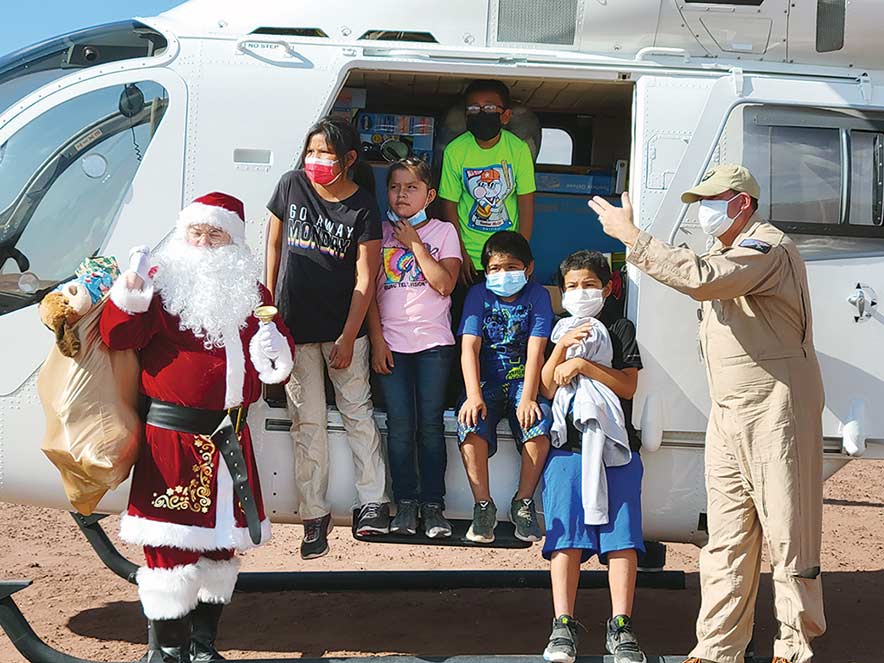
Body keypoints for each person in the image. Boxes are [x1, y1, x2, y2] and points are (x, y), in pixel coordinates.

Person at [590, 164, 825, 663]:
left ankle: (793, 646)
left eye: (711, 200)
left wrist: (632, 237)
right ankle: (718, 649)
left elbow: (702, 280)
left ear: (741, 203)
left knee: (788, 532)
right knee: (726, 538)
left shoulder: (767, 248)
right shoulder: (728, 249)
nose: (702, 211)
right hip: (731, 410)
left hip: (775, 408)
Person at [100, 192, 295, 663]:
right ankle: (168, 652)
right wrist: (127, 298)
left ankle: (203, 646)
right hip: (173, 438)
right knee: (169, 547)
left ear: (234, 241)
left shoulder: (254, 291)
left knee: (220, 547)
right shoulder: (160, 286)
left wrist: (274, 348)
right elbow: (117, 336)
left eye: (216, 234)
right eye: (197, 233)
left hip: (230, 435)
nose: (205, 243)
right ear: (183, 234)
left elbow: (276, 369)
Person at [265, 116, 388, 559]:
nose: (315, 161)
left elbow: (366, 277)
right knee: (307, 422)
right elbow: (274, 246)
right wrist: (270, 311)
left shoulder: (364, 207)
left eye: (326, 154)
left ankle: (373, 502)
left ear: (349, 160)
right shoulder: (290, 185)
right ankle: (313, 515)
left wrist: (350, 335)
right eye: (311, 151)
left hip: (344, 333)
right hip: (295, 328)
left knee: (357, 412)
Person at [539, 250, 646, 663]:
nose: (580, 293)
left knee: (622, 540)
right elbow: (548, 387)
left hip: (615, 450)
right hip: (567, 448)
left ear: (607, 287)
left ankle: (621, 627)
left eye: (588, 285)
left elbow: (627, 386)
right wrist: (562, 348)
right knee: (565, 539)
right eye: (571, 286)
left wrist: (583, 363)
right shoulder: (558, 328)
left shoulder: (619, 328)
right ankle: (562, 625)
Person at [367, 158, 462, 537]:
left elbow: (445, 284)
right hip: (392, 344)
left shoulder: (443, 232)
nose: (402, 194)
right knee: (401, 427)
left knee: (430, 426)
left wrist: (416, 245)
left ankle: (433, 506)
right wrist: (377, 341)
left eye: (411, 187)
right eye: (395, 187)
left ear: (430, 195)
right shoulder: (378, 233)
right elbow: (370, 293)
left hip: (433, 346)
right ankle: (405, 504)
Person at [457, 230, 553, 544]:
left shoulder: (537, 295)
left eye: (511, 267)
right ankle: (482, 506)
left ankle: (523, 503)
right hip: (485, 382)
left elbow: (536, 350)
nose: (503, 274)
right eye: (495, 269)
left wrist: (528, 397)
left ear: (529, 268)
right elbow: (469, 347)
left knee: (539, 424)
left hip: (522, 381)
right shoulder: (478, 295)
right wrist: (472, 395)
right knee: (469, 424)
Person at [439, 79, 536, 287]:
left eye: (490, 107)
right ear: (466, 115)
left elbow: (526, 202)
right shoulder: (455, 151)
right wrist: (459, 253)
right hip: (469, 259)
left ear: (506, 115)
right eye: (474, 108)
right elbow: (449, 205)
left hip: (507, 259)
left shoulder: (518, 150)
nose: (481, 113)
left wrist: (521, 254)